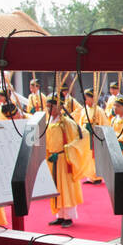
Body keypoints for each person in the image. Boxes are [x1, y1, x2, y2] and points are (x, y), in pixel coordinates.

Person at [44, 95, 85, 227]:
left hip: (64, 158)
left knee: (66, 188)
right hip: (53, 159)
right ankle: (60, 215)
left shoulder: (66, 122)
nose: (49, 109)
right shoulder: (48, 121)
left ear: (60, 107)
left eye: (52, 106)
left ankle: (69, 216)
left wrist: (67, 150)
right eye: (48, 106)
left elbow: (81, 137)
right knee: (56, 187)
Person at [78, 89, 111, 184]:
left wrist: (97, 132)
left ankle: (97, 177)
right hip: (86, 135)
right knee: (87, 155)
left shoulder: (99, 110)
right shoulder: (84, 110)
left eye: (87, 98)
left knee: (95, 156)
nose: (85, 100)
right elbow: (80, 122)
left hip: (94, 135)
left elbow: (104, 124)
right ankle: (89, 176)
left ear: (92, 99)